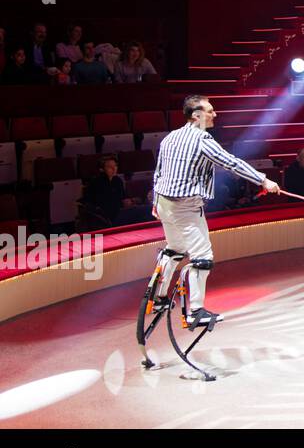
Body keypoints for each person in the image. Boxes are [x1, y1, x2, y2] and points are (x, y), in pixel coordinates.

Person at [149, 94, 281, 327]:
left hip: (164, 204)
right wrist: (263, 180)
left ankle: (158, 298)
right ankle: (195, 312)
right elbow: (231, 163)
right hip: (186, 207)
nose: (214, 114)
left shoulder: (170, 138)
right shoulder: (202, 139)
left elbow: (158, 172)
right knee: (203, 257)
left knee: (175, 249)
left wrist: (155, 201)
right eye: (210, 111)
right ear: (196, 116)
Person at [84, 156, 152, 227]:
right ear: (101, 169)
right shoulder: (96, 183)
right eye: (110, 167)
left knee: (147, 210)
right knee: (147, 210)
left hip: (120, 211)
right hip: (109, 216)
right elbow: (103, 203)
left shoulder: (117, 180)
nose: (114, 169)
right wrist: (123, 203)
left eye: (115, 166)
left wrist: (131, 201)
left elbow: (123, 197)